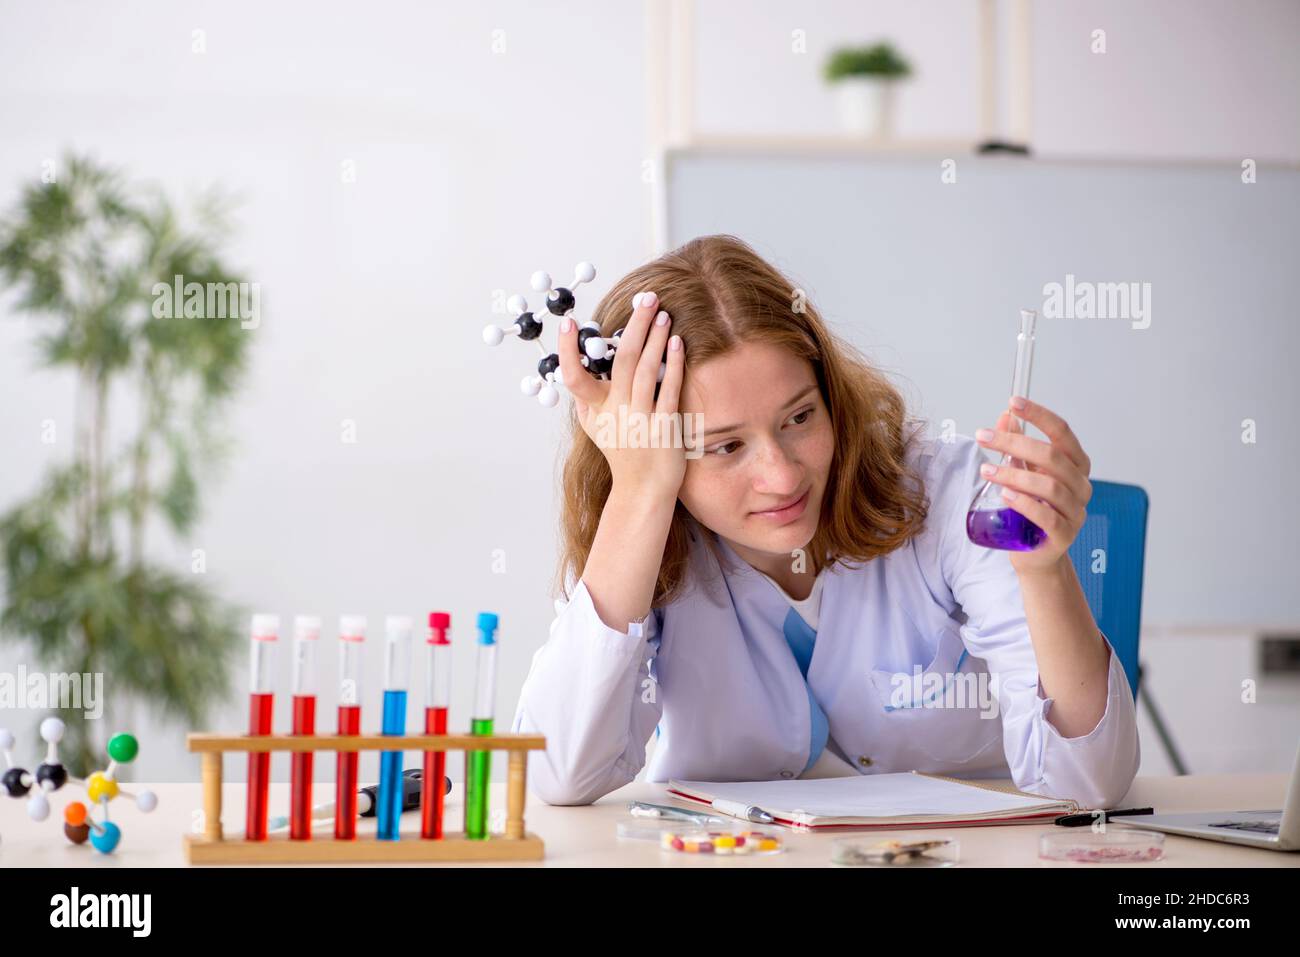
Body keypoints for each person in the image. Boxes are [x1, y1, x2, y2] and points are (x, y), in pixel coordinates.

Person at [511, 234, 1139, 809]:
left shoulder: (955, 499)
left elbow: (1088, 784)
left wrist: (1044, 572)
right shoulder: (646, 532)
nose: (782, 477)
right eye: (725, 447)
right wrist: (639, 497)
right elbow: (559, 775)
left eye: (800, 418)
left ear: (829, 394)